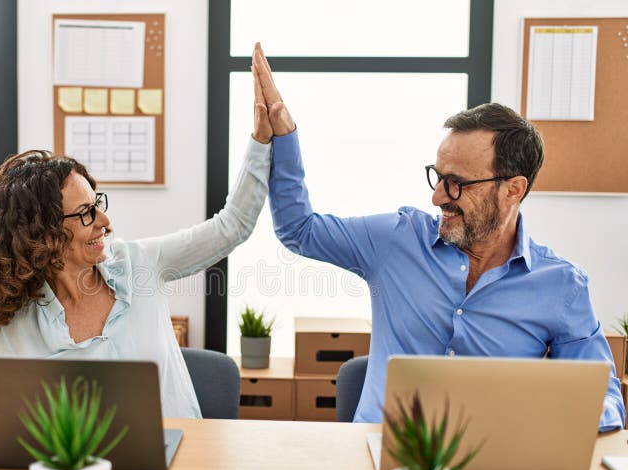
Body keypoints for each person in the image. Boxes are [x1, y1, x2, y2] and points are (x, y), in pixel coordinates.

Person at [251, 43, 625, 431]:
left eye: (456, 184)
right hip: (373, 460)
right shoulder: (397, 240)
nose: (437, 197)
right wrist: (283, 132)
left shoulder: (561, 286)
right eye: (438, 176)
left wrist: (555, 417)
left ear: (513, 190)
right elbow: (300, 230)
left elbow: (606, 400)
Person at [0, 74, 276, 418]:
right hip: (81, 469)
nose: (104, 222)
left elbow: (232, 227)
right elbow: (17, 425)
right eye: (85, 213)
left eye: (98, 205)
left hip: (181, 459)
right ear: (43, 234)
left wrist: (261, 139)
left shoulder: (140, 263)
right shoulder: (13, 329)